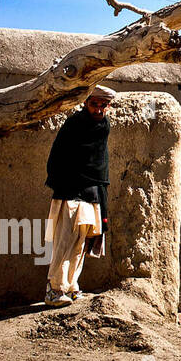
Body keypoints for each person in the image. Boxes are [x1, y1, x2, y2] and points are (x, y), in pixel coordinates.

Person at [43, 86, 117, 307]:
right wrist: (66, 183)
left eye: (103, 105)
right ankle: (54, 289)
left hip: (92, 193)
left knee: (82, 244)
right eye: (95, 104)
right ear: (86, 103)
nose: (99, 109)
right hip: (71, 191)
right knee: (65, 241)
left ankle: (71, 286)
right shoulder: (75, 124)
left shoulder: (103, 126)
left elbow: (98, 164)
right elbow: (58, 157)